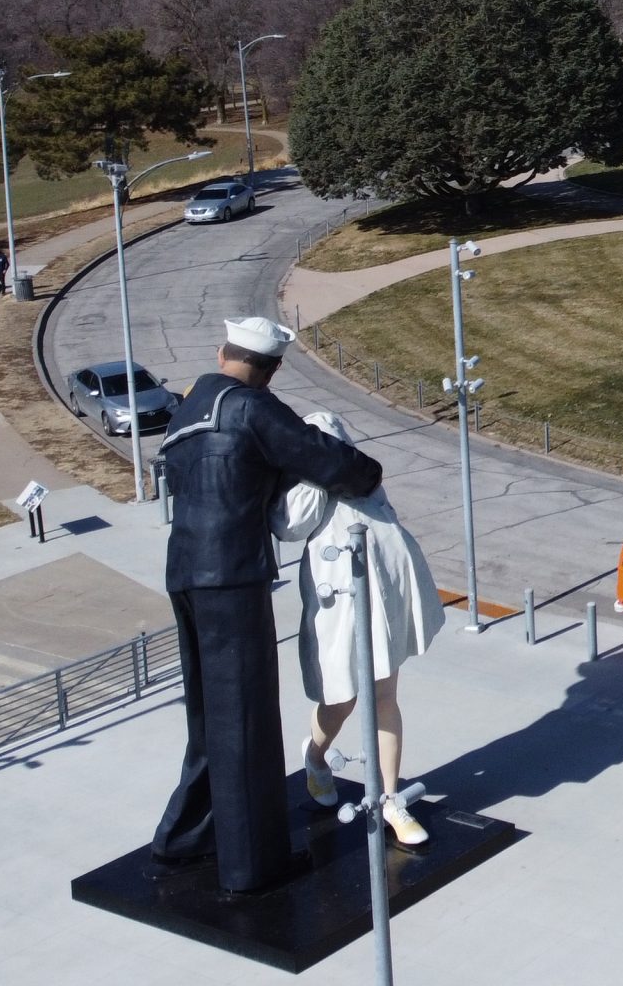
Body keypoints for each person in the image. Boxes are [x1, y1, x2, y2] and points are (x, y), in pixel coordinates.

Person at [152, 316, 382, 894]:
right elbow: (330, 463)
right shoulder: (252, 407)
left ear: (221, 350)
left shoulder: (189, 408)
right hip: (232, 578)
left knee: (208, 718)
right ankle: (253, 866)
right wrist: (366, 470)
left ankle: (187, 835)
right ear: (271, 368)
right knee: (247, 720)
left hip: (184, 572)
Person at [274, 410, 442, 847]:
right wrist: (316, 475)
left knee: (385, 697)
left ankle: (389, 797)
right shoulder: (305, 490)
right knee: (341, 698)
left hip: (381, 599)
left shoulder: (362, 477)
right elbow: (288, 525)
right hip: (338, 606)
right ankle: (314, 756)